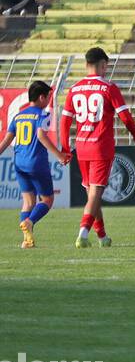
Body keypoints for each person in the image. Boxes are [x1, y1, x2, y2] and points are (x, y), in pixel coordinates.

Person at [61, 48, 135, 247]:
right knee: (96, 193)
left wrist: (65, 148)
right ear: (103, 64)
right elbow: (125, 117)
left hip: (82, 146)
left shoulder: (74, 88)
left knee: (92, 193)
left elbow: (64, 122)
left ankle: (102, 236)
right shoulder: (108, 87)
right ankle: (83, 233)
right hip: (100, 146)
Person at [0, 80, 65, 248]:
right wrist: (59, 155)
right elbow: (42, 135)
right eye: (48, 97)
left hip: (19, 163)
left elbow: (6, 141)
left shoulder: (18, 116)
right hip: (36, 162)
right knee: (48, 199)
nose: (49, 100)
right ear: (41, 97)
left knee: (28, 202)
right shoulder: (43, 114)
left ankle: (27, 240)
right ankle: (29, 221)